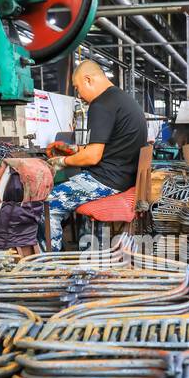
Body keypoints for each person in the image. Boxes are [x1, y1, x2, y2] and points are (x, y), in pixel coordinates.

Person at [45, 59, 147, 251]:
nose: (79, 95)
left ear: (88, 80)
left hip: (107, 181)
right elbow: (111, 146)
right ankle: (90, 254)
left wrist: (62, 161)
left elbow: (93, 156)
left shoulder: (101, 104)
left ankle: (50, 264)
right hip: (125, 178)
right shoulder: (123, 99)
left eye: (77, 88)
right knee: (70, 196)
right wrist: (74, 151)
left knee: (48, 205)